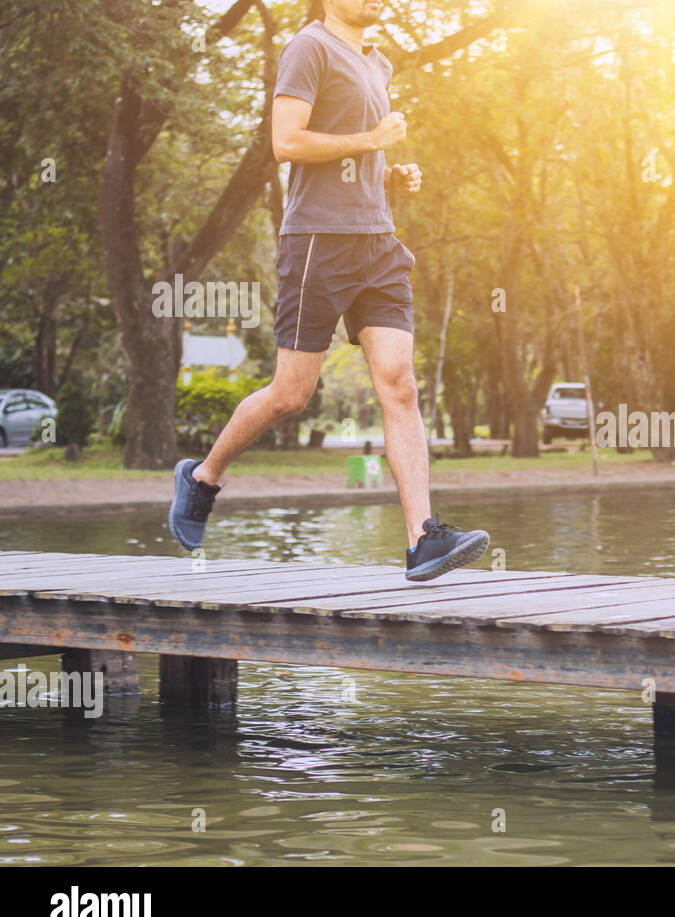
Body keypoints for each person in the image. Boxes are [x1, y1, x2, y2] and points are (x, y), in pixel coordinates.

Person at [169, 0, 488, 582]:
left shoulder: (379, 63)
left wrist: (390, 173)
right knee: (292, 394)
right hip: (319, 241)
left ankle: (424, 539)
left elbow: (356, 154)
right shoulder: (308, 47)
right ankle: (202, 477)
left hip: (379, 243)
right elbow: (286, 144)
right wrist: (372, 140)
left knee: (400, 383)